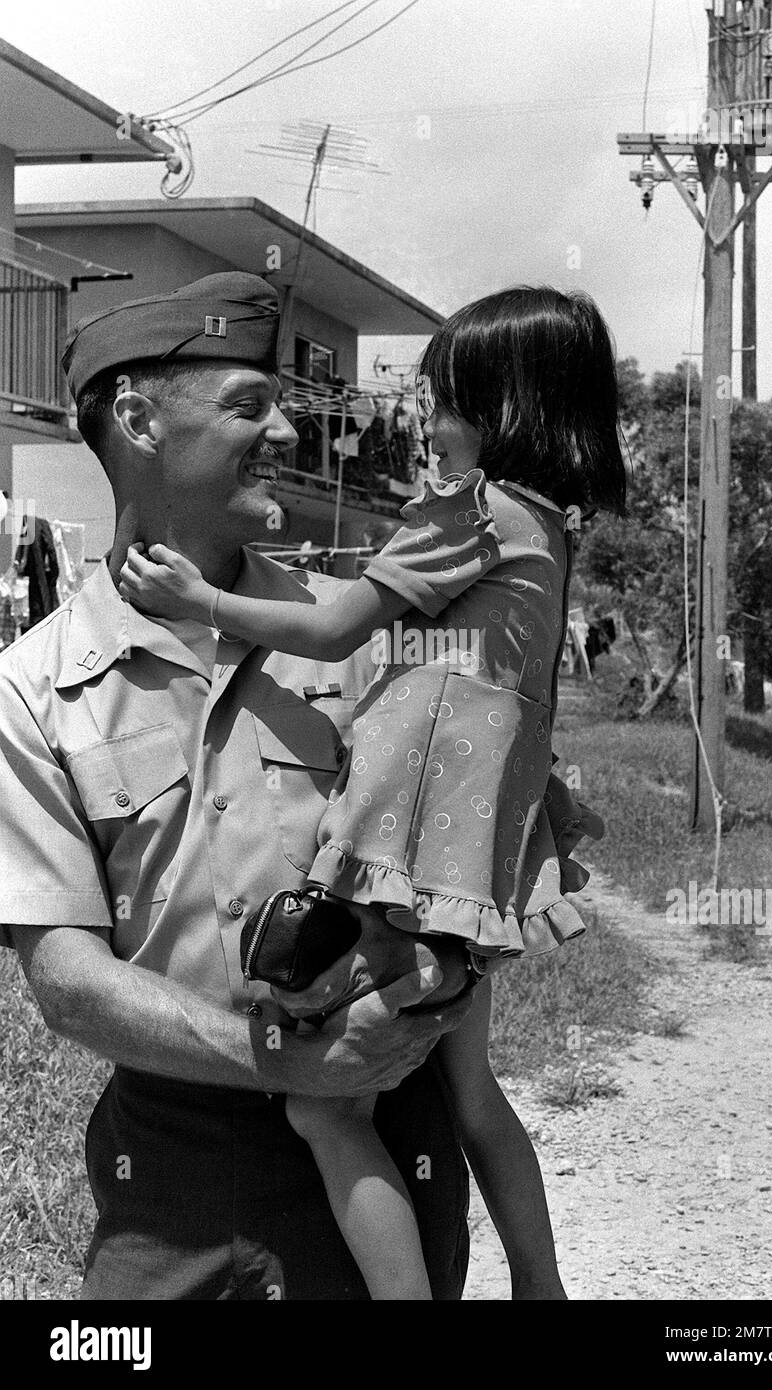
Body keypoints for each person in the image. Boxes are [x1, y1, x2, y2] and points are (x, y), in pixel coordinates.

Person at [118, 285, 626, 1300]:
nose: (427, 424)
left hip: (412, 848)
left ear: (504, 406)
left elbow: (335, 625)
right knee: (470, 1092)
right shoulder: (541, 526)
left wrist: (198, 601)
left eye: (442, 402)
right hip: (474, 861)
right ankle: (540, 1286)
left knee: (324, 1109)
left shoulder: (474, 512)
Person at [0, 272, 475, 1301]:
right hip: (172, 1173)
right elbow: (66, 978)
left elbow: (467, 888)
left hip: (383, 1132)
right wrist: (280, 1059)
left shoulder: (362, 638)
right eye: (250, 404)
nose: (291, 432)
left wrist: (426, 985)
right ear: (137, 419)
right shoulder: (33, 688)